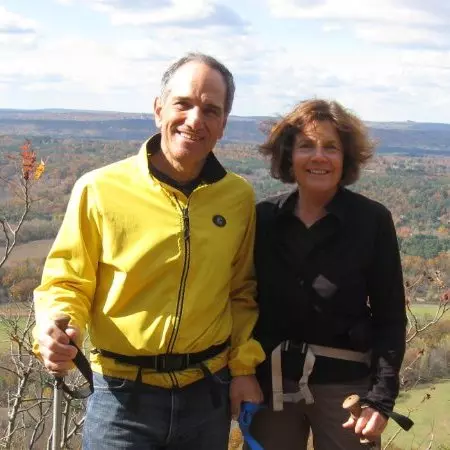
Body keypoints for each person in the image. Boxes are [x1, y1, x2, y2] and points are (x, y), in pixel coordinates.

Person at [33, 52, 265, 450]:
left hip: (206, 396)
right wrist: (59, 327)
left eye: (211, 109)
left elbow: (241, 292)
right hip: (122, 399)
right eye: (184, 104)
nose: (195, 119)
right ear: (159, 110)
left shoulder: (237, 197)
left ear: (223, 124)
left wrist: (243, 368)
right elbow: (67, 280)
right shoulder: (100, 189)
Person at [250, 99, 407, 450]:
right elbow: (241, 302)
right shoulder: (263, 219)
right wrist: (241, 374)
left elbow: (390, 317)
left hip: (347, 391)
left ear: (345, 158)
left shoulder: (371, 221)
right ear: (289, 155)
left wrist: (380, 398)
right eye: (306, 145)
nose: (318, 156)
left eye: (330, 147)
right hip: (272, 386)